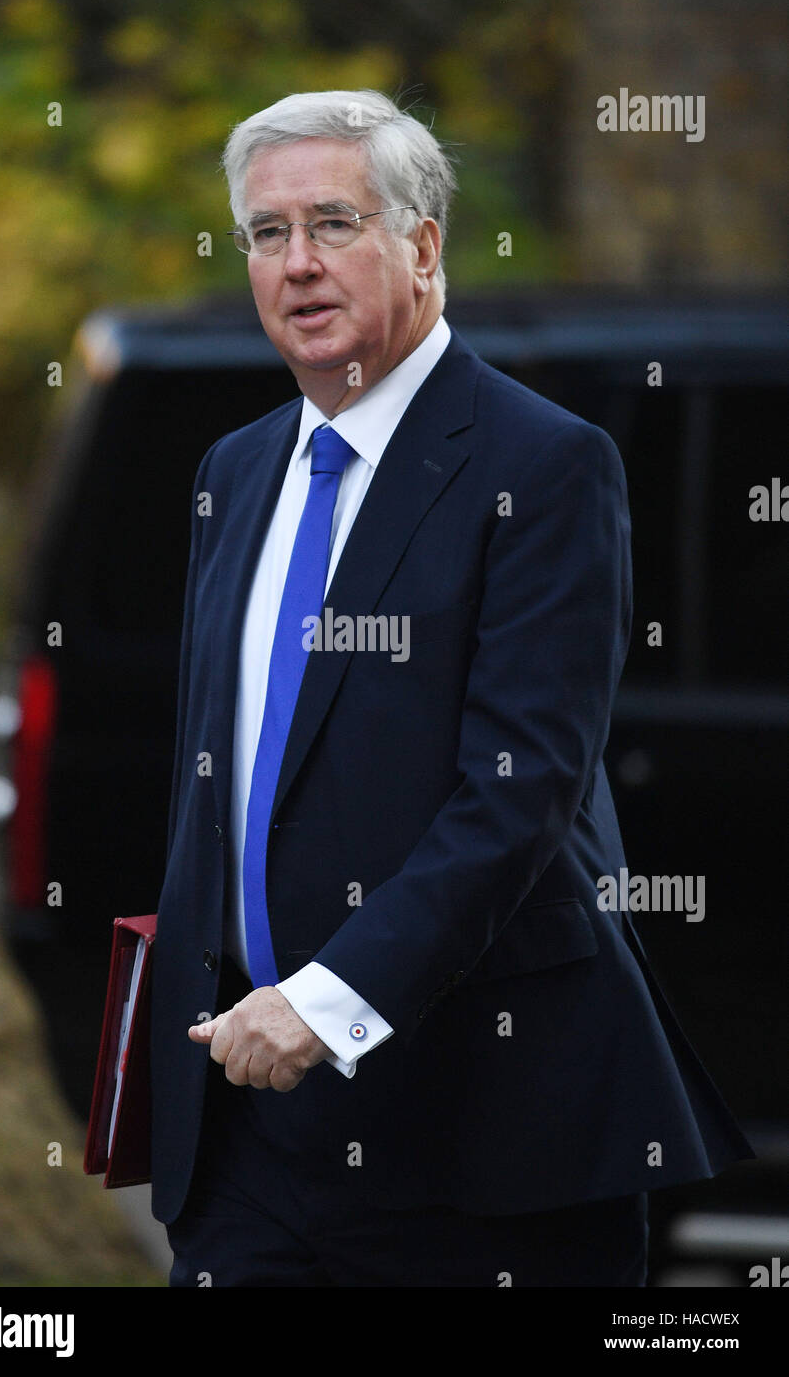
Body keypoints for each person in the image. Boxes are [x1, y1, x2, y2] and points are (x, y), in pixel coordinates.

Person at [150, 89, 753, 1287]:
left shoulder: (544, 464)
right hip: (249, 1136)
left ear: (423, 243)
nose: (298, 263)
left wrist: (327, 1003)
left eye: (334, 222)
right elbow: (214, 785)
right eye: (267, 234)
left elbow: (517, 797)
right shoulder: (237, 469)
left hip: (481, 1139)